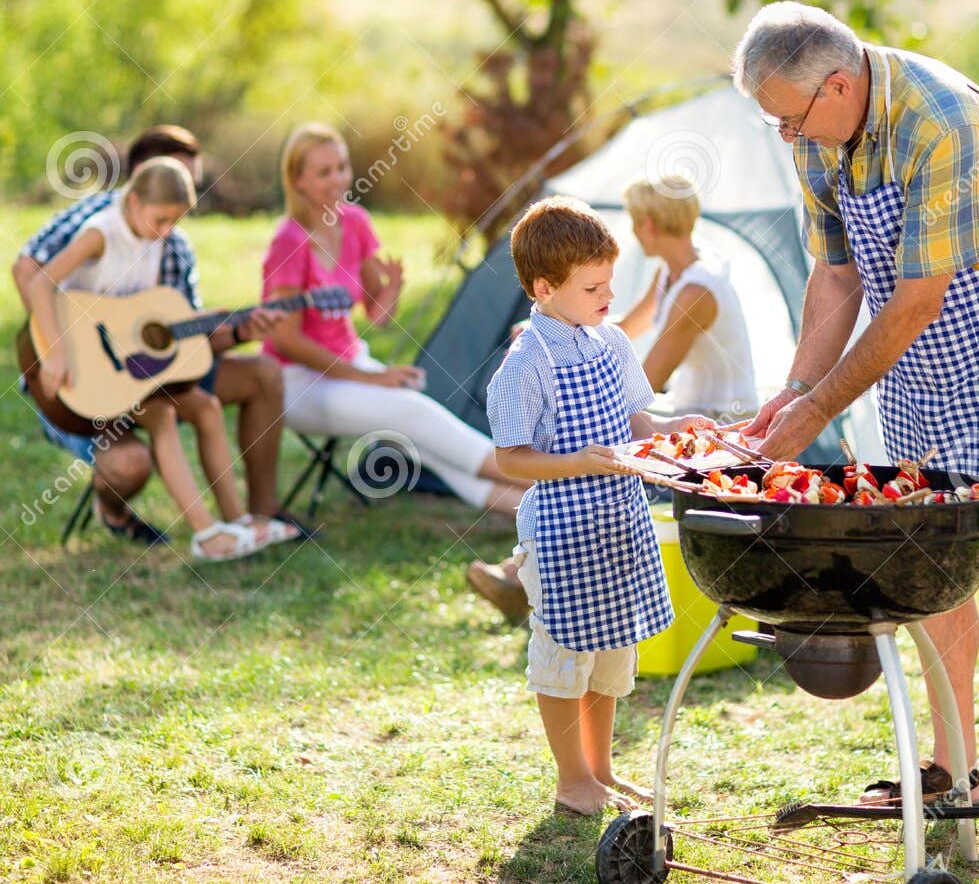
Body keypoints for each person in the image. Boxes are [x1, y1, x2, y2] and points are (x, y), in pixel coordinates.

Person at [733, 1, 979, 852]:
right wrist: (795, 387)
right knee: (925, 566)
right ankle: (954, 771)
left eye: (788, 119)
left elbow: (918, 298)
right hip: (915, 370)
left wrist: (817, 412)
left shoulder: (942, 123)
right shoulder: (818, 132)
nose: (784, 138)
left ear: (837, 84)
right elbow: (838, 275)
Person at [487, 195, 716, 816]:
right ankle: (571, 780)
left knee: (611, 651)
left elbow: (637, 419)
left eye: (610, 282)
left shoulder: (611, 341)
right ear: (543, 288)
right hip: (562, 534)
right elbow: (510, 459)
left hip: (618, 522)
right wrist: (584, 460)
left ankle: (601, 770)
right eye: (592, 287)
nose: (607, 296)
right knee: (565, 654)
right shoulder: (526, 362)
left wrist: (677, 426)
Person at [14, 125, 301, 545]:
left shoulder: (158, 239)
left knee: (201, 406)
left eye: (176, 221)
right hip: (85, 376)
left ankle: (234, 523)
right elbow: (37, 280)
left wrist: (236, 329)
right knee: (159, 425)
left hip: (138, 373)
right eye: (162, 219)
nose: (168, 230)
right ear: (134, 198)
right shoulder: (100, 231)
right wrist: (57, 354)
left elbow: (171, 324)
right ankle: (205, 532)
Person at [262, 124, 525, 516]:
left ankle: (536, 510)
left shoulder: (354, 222)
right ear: (297, 180)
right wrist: (373, 379)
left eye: (342, 167)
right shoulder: (289, 241)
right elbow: (286, 341)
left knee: (421, 433)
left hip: (349, 365)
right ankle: (548, 480)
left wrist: (393, 289)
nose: (337, 180)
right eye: (323, 172)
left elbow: (377, 315)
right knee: (412, 412)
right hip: (296, 382)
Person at [617, 173, 758, 421]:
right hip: (693, 411)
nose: (633, 232)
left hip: (723, 422)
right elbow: (626, 327)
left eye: (634, 223)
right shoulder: (670, 271)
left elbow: (646, 383)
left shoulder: (695, 293)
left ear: (648, 225)